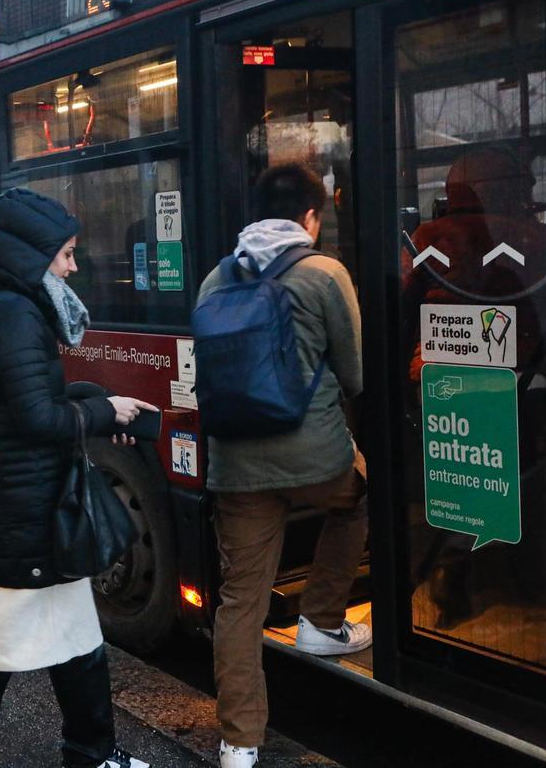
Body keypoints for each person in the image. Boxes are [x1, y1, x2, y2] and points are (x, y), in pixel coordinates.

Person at [0, 188, 154, 768]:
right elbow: (37, 419)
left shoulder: (10, 310)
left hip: (31, 509)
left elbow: (27, 402)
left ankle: (93, 752)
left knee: (77, 642)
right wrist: (102, 414)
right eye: (65, 254)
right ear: (32, 257)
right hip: (22, 514)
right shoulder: (14, 315)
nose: (73, 266)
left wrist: (97, 401)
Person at [199, 165, 369, 768]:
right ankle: (321, 621)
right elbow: (354, 373)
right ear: (311, 218)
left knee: (240, 601)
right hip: (317, 458)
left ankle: (239, 744)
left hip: (236, 467)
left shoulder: (215, 280)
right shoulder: (325, 272)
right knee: (358, 498)